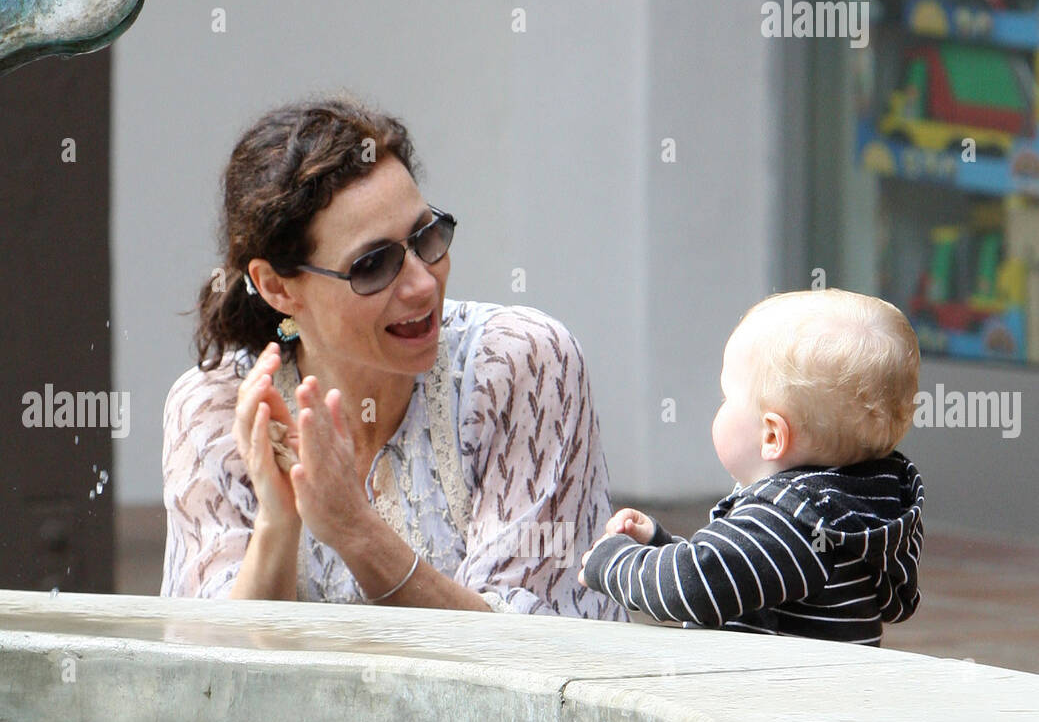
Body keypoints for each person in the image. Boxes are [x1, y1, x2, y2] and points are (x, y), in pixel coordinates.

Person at [160, 95, 626, 621]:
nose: (424, 284)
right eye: (373, 264)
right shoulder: (215, 409)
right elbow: (207, 681)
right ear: (277, 288)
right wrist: (278, 522)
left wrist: (357, 532)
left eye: (427, 236)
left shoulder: (523, 364)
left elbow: (533, 659)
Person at [579, 288, 924, 646]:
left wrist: (616, 562)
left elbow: (701, 586)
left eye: (727, 397)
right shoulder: (841, 511)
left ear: (772, 435)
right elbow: (737, 580)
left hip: (772, 699)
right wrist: (658, 544)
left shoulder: (793, 522)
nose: (720, 407)